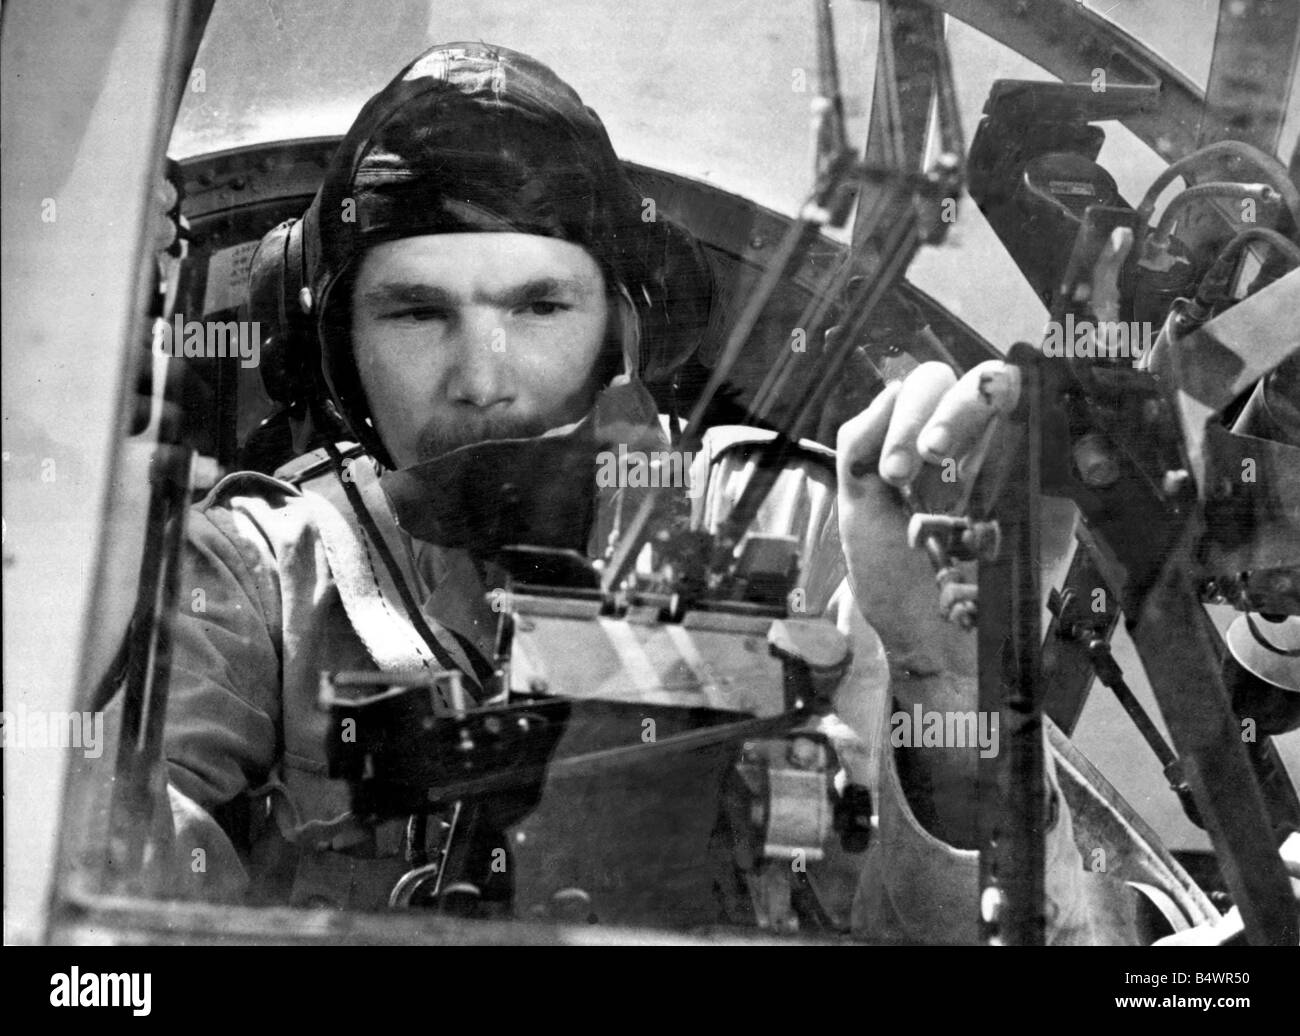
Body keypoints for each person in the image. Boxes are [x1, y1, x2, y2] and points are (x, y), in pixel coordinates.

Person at [87, 41, 1149, 942]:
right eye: (416, 313)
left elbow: (982, 935)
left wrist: (945, 678)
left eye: (539, 304)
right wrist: (77, 624)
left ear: (623, 329)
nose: (481, 373)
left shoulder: (823, 534)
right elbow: (100, 922)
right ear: (333, 347)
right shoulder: (261, 571)